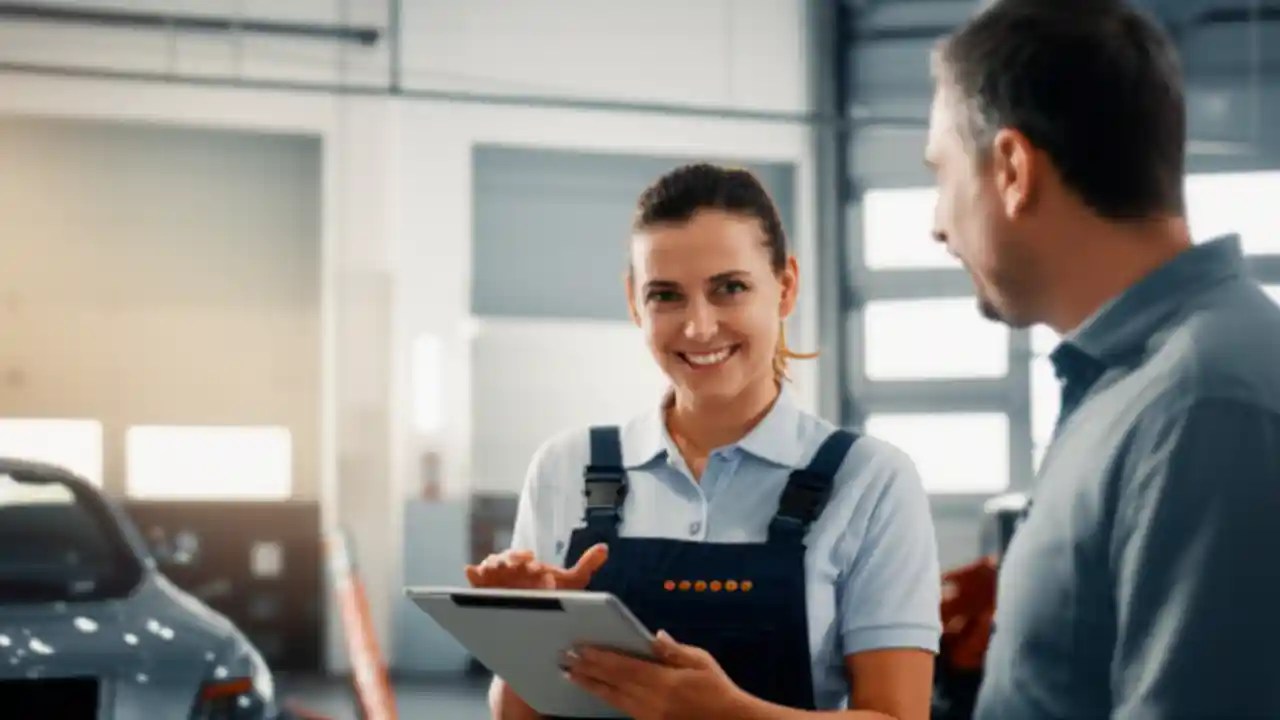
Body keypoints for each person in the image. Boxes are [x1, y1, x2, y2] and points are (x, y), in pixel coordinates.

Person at [466, 163, 942, 719]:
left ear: (785, 286)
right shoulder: (564, 468)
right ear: (633, 301)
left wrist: (728, 715)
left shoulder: (870, 480)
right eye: (666, 296)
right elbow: (516, 716)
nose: (698, 327)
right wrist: (524, 623)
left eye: (730, 289)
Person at [924, 1, 1280, 718]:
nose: (937, 224)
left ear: (1014, 169)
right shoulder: (1131, 383)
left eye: (941, 174)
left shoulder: (1203, 405)